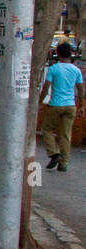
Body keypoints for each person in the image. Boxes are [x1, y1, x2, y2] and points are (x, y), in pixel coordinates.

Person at [42, 41, 85, 171]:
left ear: (57, 53)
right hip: (70, 105)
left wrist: (40, 101)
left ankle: (53, 153)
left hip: (55, 104)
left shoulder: (54, 69)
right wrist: (81, 106)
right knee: (65, 135)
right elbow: (80, 90)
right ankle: (64, 163)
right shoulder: (76, 70)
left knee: (46, 129)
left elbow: (46, 87)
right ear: (71, 54)